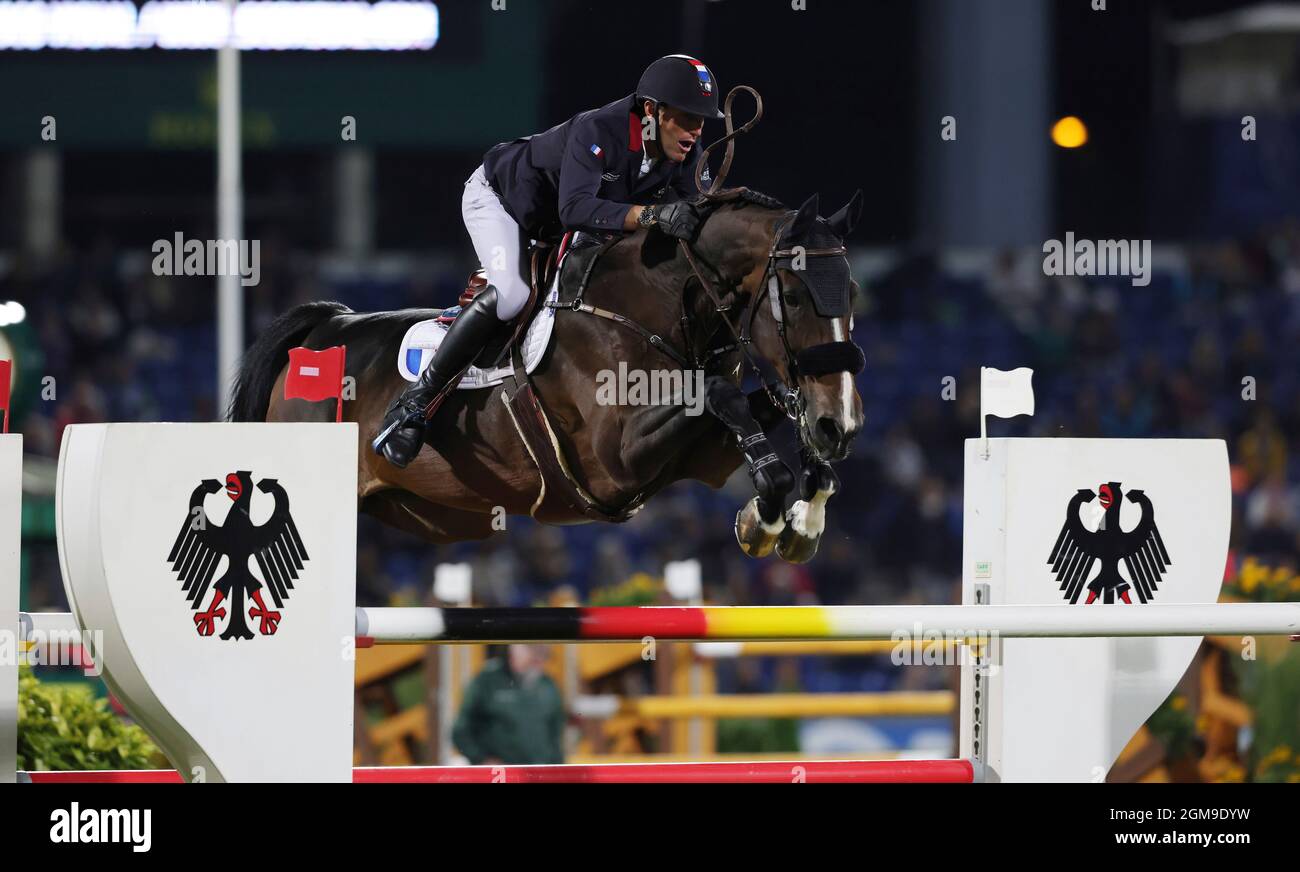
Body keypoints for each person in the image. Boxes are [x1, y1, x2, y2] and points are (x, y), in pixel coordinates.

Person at [373, 55, 725, 468]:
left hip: (559, 227)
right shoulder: (601, 130)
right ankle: (414, 404)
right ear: (652, 110)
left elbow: (685, 216)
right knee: (511, 294)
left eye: (702, 121)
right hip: (502, 202)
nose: (696, 131)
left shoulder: (684, 149)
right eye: (687, 118)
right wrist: (650, 215)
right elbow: (576, 208)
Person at [451, 645, 565, 766]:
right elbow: (461, 731)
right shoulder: (487, 680)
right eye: (531, 648)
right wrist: (482, 760)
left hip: (538, 774)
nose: (538, 657)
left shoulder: (548, 685)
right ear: (514, 647)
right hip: (498, 776)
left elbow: (556, 736)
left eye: (542, 654)